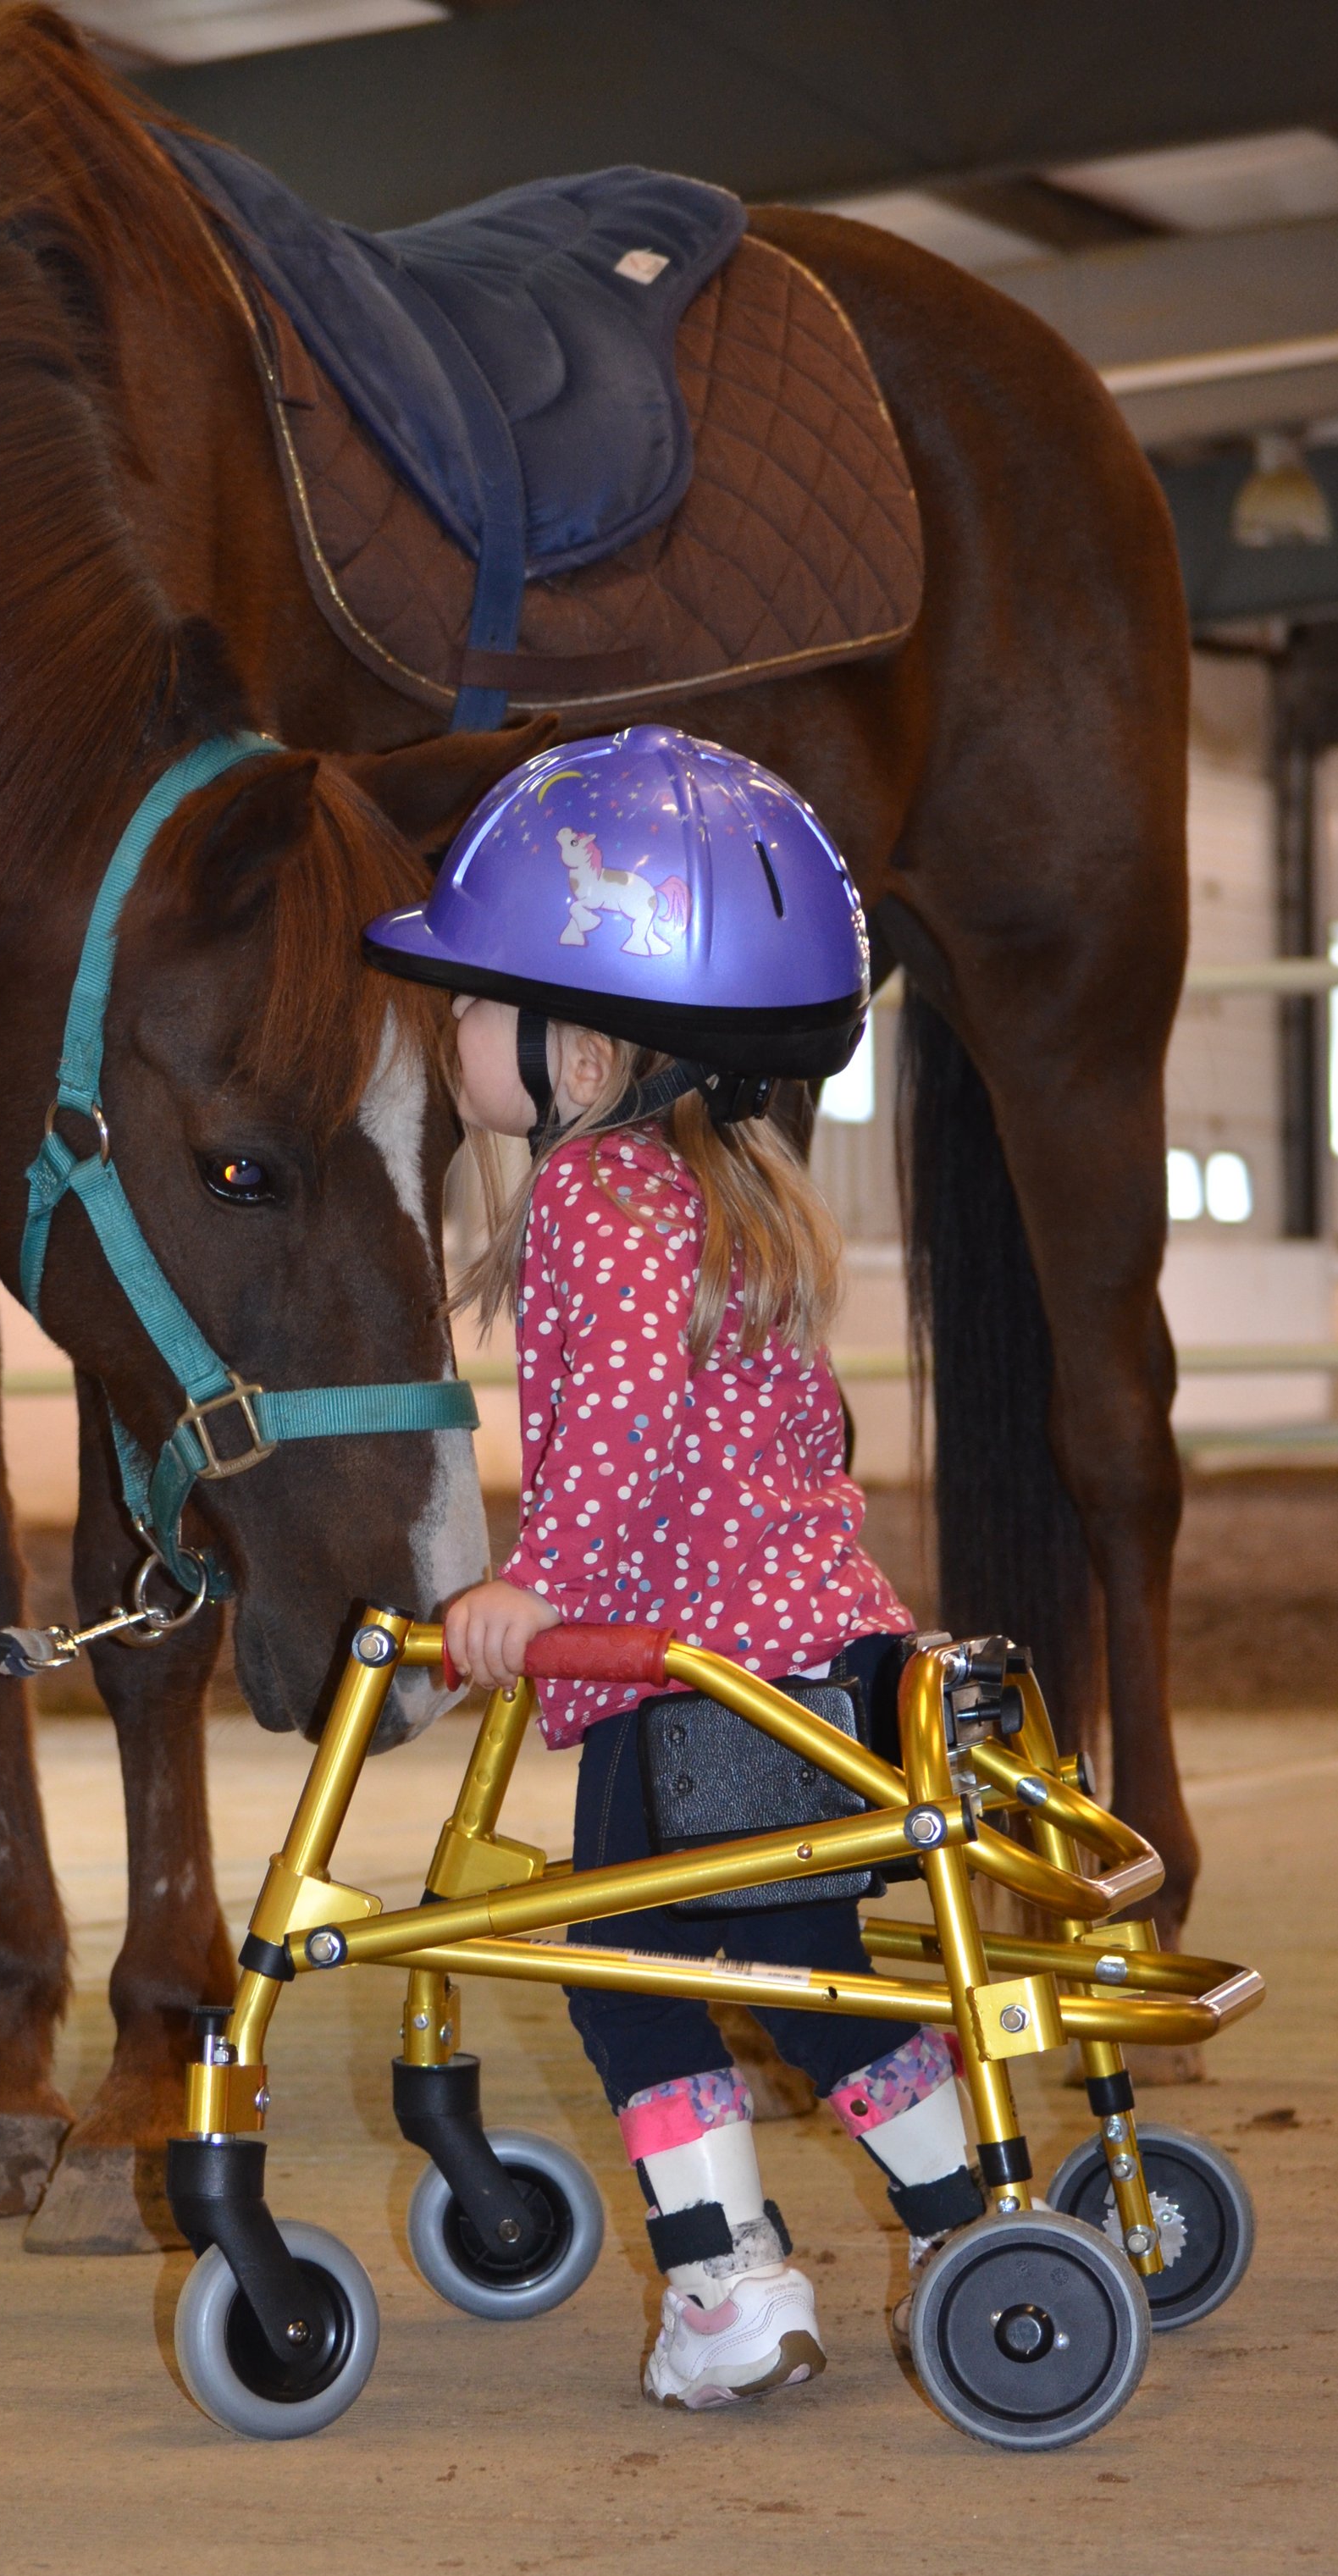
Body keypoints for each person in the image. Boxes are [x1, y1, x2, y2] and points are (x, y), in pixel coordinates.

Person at [363, 722, 985, 2410]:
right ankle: (965, 2223)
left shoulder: (592, 1197)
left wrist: (534, 1588)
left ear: (577, 1046)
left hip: (695, 1674)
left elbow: (623, 1421)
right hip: (819, 1653)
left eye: (478, 1003)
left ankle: (725, 2283)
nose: (456, 1028)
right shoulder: (733, 1190)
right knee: (803, 1972)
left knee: (626, 1985)